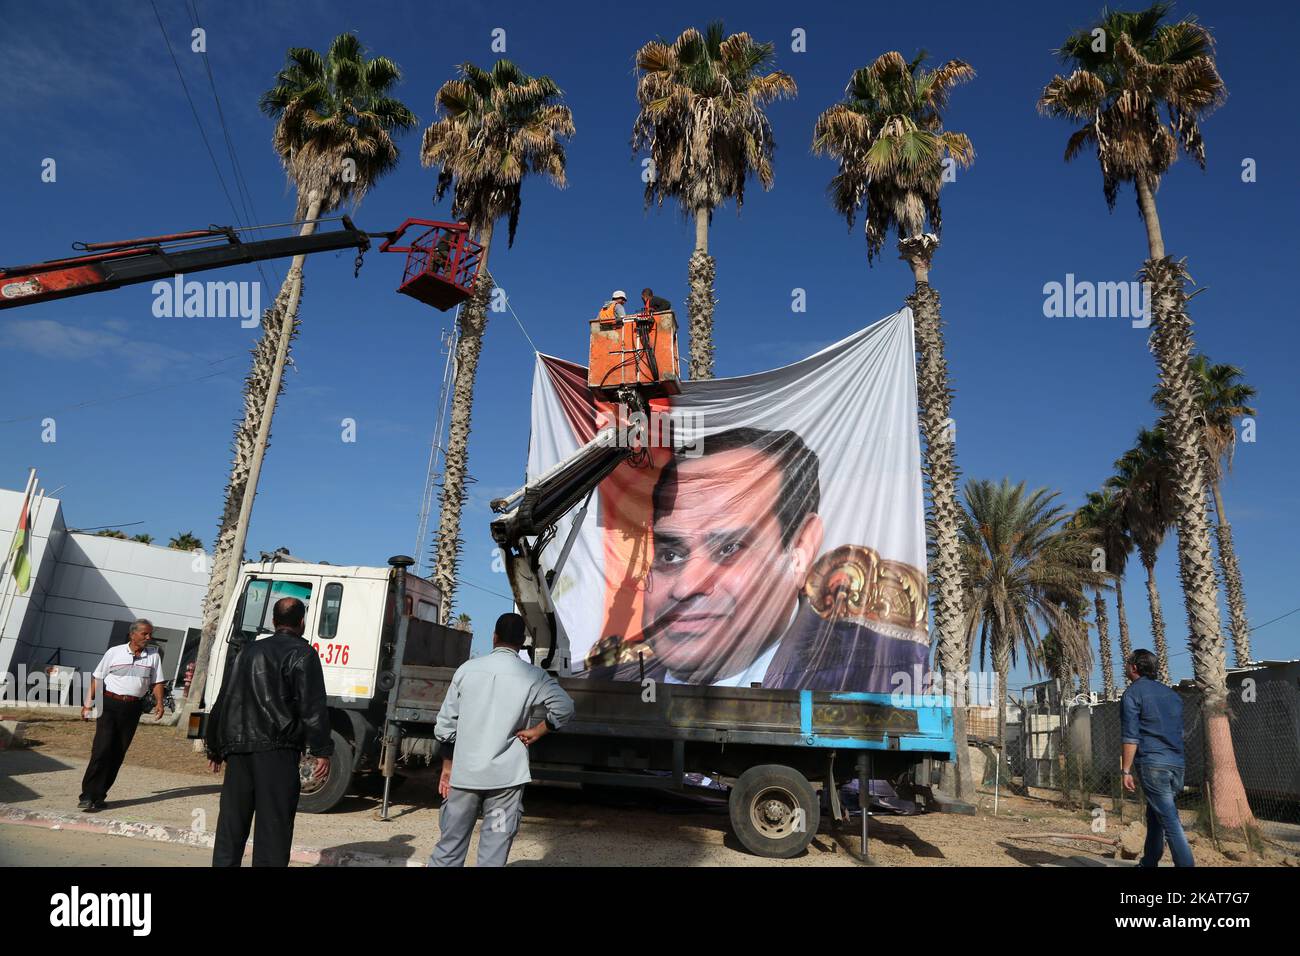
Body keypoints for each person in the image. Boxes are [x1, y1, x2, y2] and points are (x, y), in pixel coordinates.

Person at [587, 427, 929, 691]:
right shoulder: (606, 687)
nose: (686, 586)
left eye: (729, 549)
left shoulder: (874, 674)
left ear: (800, 550)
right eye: (670, 553)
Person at [430, 612, 574, 867]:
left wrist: (448, 767)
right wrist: (540, 729)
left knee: (450, 846)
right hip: (506, 779)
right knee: (494, 850)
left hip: (465, 775)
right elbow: (564, 707)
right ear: (521, 642)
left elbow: (445, 725)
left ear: (494, 637)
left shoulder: (467, 670)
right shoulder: (533, 676)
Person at [204, 596, 333, 867]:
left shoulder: (247, 651)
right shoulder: (303, 654)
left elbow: (225, 697)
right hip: (278, 750)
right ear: (302, 622)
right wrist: (321, 750)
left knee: (231, 825)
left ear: (273, 621)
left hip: (238, 751)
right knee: (273, 828)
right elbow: (313, 706)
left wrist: (214, 746)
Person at [78, 619, 165, 811]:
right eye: (145, 634)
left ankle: (100, 795)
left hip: (132, 708)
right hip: (108, 704)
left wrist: (159, 702)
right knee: (102, 749)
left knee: (118, 752)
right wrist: (87, 704)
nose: (148, 638)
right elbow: (97, 677)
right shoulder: (114, 652)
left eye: (150, 634)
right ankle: (87, 795)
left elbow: (157, 682)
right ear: (132, 634)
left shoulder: (153, 656)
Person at [1120, 648, 1195, 867]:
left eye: (1127, 664)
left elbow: (1130, 736)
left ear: (1134, 667)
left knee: (1171, 822)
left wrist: (1125, 770)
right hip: (1177, 764)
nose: (1125, 667)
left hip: (1153, 765)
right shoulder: (1172, 695)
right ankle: (1148, 863)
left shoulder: (1133, 694)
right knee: (1156, 816)